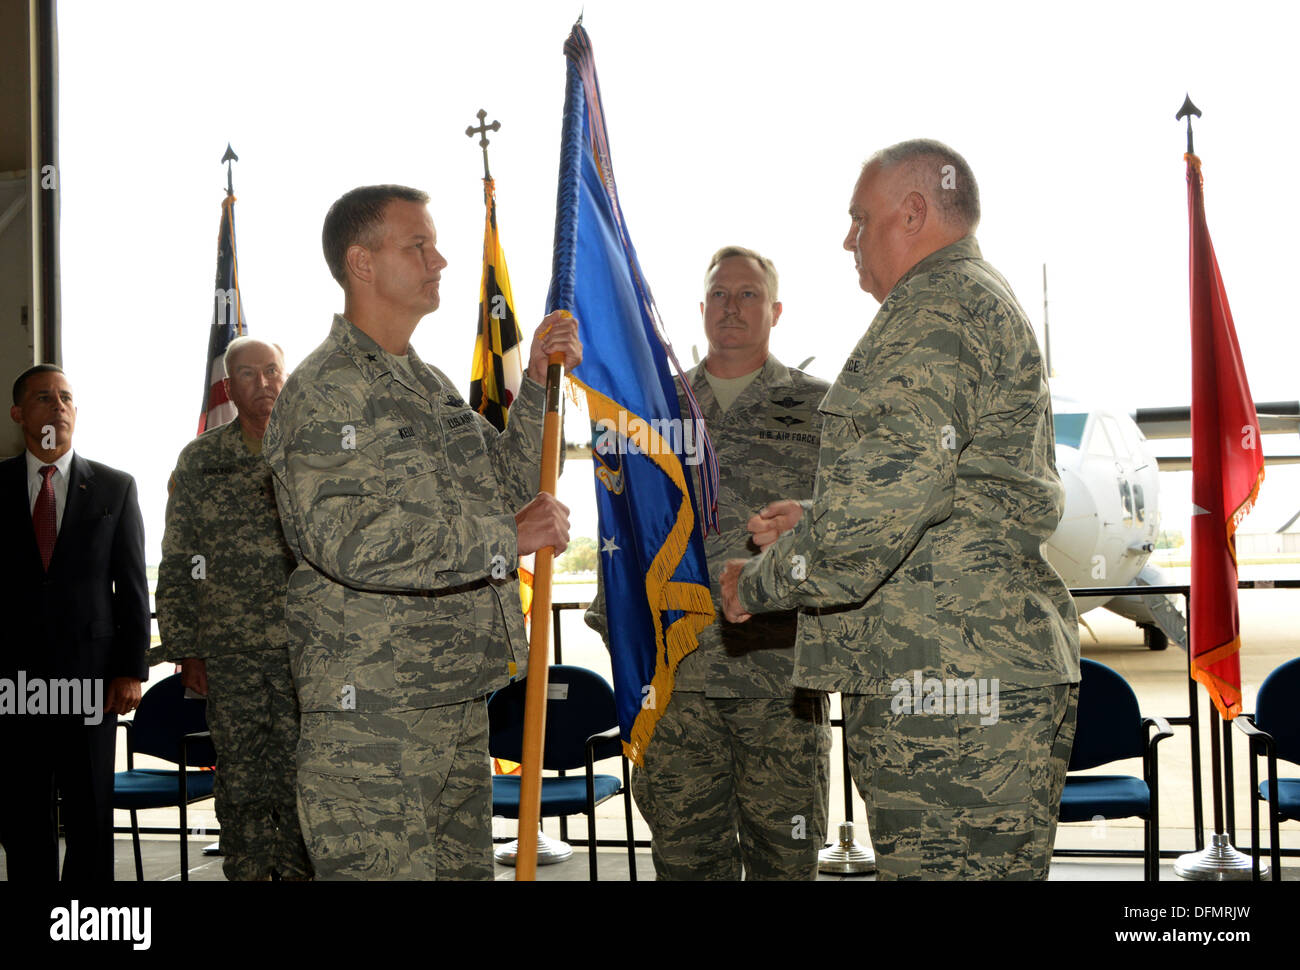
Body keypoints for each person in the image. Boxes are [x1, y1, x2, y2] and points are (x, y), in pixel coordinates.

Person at [721, 139, 1081, 880]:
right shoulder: (968, 296)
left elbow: (876, 519)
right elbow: (946, 492)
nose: (847, 240)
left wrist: (756, 583)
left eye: (860, 219)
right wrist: (818, 517)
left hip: (950, 692)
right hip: (964, 674)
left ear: (912, 213)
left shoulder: (934, 310)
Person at [263, 184, 580, 880]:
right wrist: (505, 537)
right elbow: (347, 540)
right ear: (363, 264)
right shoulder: (325, 390)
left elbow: (509, 482)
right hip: (372, 723)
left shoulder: (430, 386)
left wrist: (539, 385)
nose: (441, 259)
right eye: (419, 245)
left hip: (453, 705)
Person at [590, 247, 831, 879]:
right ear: (701, 310)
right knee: (687, 861)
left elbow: (850, 520)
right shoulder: (654, 409)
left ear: (775, 310)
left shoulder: (820, 408)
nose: (733, 307)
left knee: (786, 860)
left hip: (779, 682)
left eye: (749, 294)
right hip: (677, 683)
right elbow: (624, 527)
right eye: (720, 295)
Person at [152, 336, 312, 880]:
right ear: (229, 386)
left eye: (273, 371)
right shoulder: (201, 461)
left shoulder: (314, 450)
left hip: (304, 652)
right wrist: (186, 648)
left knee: (302, 775)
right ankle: (246, 872)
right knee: (240, 777)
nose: (265, 383)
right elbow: (178, 558)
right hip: (228, 655)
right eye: (249, 374)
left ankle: (297, 874)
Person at [0, 365, 149, 881]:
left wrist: (131, 669)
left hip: (91, 681)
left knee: (89, 811)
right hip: (13, 683)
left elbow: (131, 586)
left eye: (66, 398)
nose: (58, 406)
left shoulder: (114, 487)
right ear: (19, 413)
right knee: (23, 815)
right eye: (44, 398)